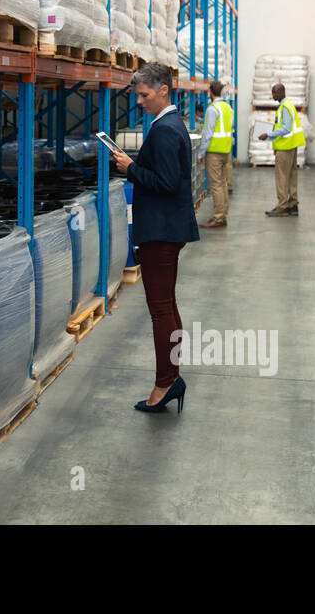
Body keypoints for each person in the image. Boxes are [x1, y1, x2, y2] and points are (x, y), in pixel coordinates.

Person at [110, 63, 199, 414]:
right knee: (168, 306)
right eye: (138, 95)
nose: (140, 101)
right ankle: (170, 376)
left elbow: (165, 183)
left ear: (164, 90)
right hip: (169, 229)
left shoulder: (164, 129)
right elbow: (167, 176)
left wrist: (129, 169)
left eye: (145, 95)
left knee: (160, 309)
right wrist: (133, 164)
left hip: (161, 230)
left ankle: (165, 382)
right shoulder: (171, 125)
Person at [257, 82, 305, 216]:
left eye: (275, 92)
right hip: (289, 145)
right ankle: (293, 204)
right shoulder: (286, 106)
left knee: (282, 176)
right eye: (272, 92)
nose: (273, 95)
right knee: (291, 175)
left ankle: (282, 205)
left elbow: (285, 129)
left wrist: (268, 135)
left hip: (286, 147)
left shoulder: (284, 107)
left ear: (282, 92)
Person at [196, 80, 233, 229]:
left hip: (214, 152)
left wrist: (200, 153)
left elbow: (208, 133)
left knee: (216, 185)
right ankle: (223, 215)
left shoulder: (212, 109)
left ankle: (218, 218)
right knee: (223, 183)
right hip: (226, 150)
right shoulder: (227, 107)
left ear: (211, 92)